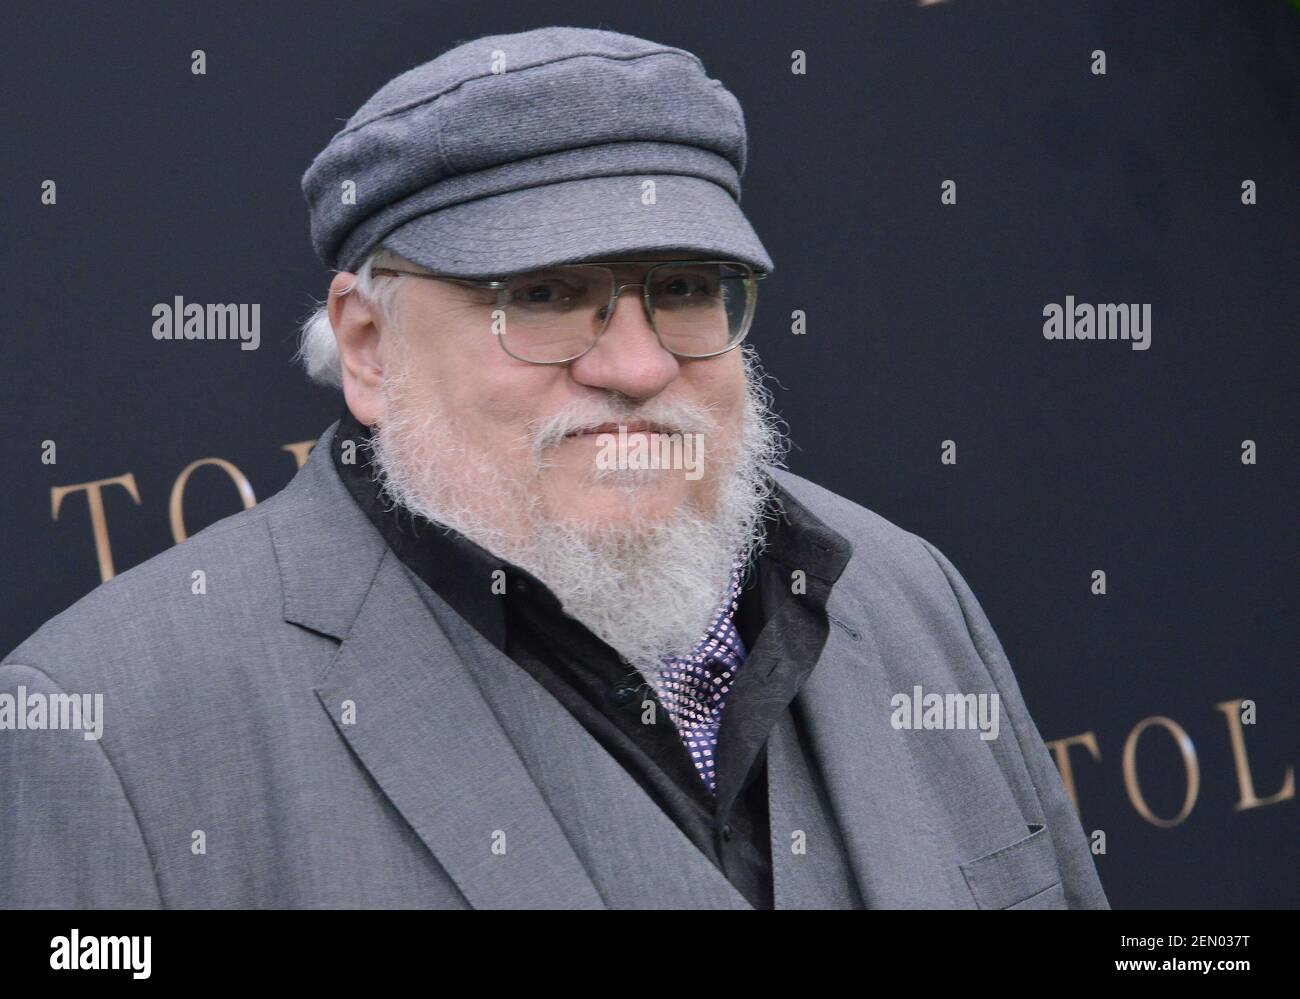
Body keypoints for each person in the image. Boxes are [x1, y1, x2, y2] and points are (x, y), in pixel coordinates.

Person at [0, 26, 1107, 909]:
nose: (633, 363)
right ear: (370, 345)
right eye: (539, 295)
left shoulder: (911, 600)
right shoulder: (109, 740)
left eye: (681, 287)